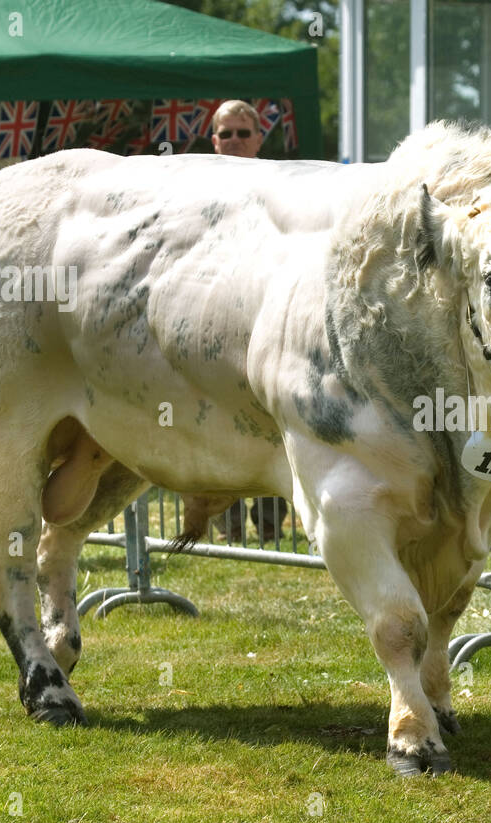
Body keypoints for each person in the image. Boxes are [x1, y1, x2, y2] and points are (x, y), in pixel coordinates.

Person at [209, 99, 285, 543]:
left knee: (271, 412)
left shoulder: (279, 184)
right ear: (213, 141)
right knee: (220, 416)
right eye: (226, 134)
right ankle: (226, 517)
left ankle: (272, 520)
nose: (235, 141)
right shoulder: (194, 186)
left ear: (259, 138)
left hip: (264, 313)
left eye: (243, 132)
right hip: (212, 317)